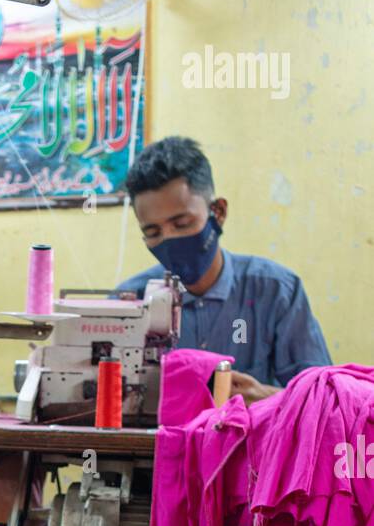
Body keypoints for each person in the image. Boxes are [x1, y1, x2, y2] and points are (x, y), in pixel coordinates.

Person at [116, 135, 331, 405]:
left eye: (181, 223)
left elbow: (325, 400)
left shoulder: (276, 292)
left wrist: (266, 398)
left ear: (217, 212)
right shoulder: (129, 302)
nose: (169, 239)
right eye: (153, 232)